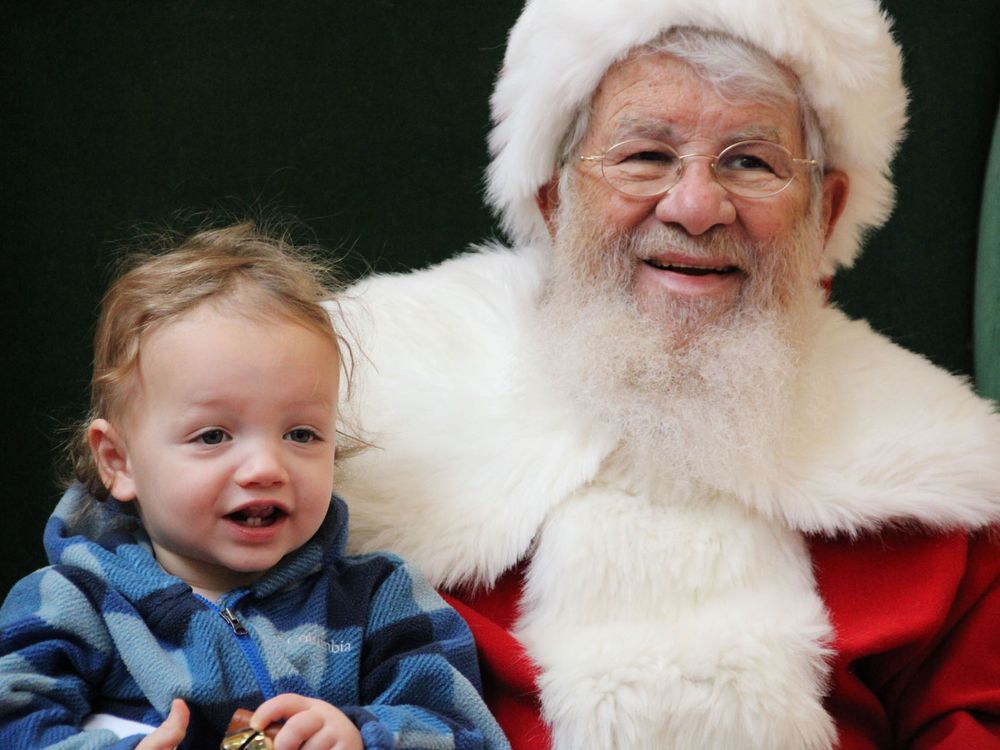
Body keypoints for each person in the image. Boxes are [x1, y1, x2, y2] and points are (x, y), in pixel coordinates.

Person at [329, 0, 1000, 748]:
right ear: (555, 198)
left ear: (825, 211)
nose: (695, 206)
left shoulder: (937, 474)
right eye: (645, 155)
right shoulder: (351, 408)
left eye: (751, 162)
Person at [0, 223, 510, 750]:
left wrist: (362, 737)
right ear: (119, 461)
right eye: (214, 435)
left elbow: (465, 731)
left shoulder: (379, 599)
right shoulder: (71, 601)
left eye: (301, 434)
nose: (266, 467)